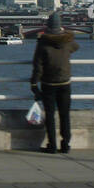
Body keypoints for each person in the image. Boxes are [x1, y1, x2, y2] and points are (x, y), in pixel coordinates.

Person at [31, 11, 79, 153]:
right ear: (60, 27)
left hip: (48, 84)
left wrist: (34, 85)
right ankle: (65, 144)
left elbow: (37, 66)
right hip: (65, 83)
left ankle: (52, 145)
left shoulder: (43, 43)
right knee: (65, 115)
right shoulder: (67, 42)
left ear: (48, 26)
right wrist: (65, 34)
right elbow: (76, 47)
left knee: (50, 116)